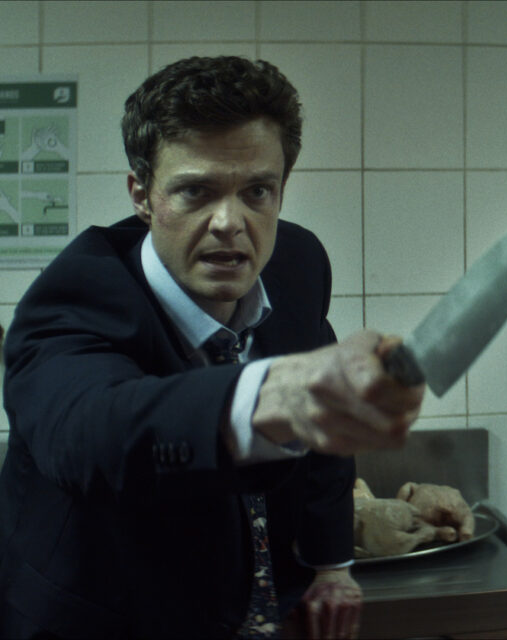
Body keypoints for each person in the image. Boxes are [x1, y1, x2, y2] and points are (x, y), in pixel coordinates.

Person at [0, 56, 472, 639]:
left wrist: (331, 563)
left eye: (257, 191)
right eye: (195, 191)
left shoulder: (296, 264)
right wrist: (271, 397)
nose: (230, 221)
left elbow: (322, 440)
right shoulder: (72, 298)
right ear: (142, 194)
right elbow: (89, 435)